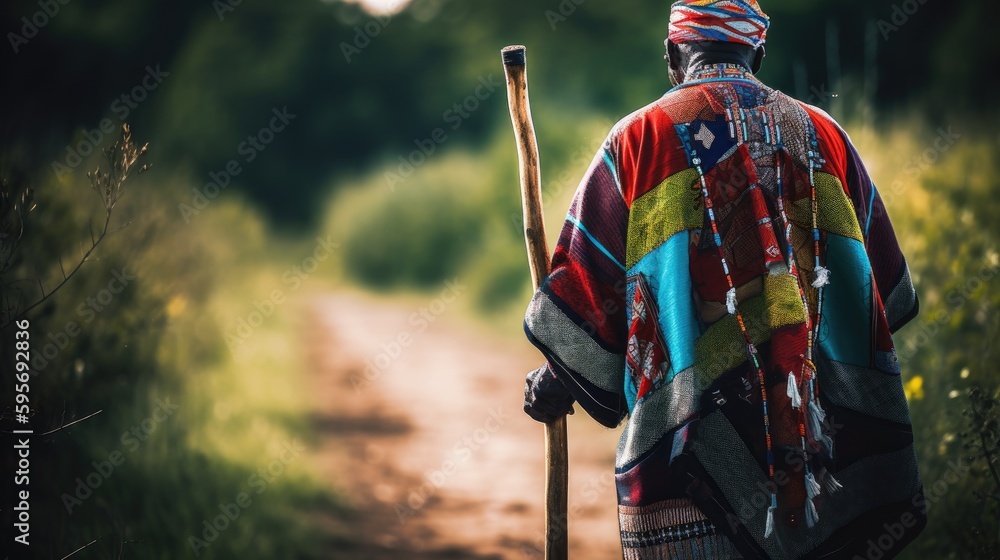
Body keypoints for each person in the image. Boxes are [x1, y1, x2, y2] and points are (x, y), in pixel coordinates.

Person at [521, 1, 925, 558]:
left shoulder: (638, 140)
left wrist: (558, 376)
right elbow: (882, 292)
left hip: (687, 482)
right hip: (827, 473)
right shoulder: (825, 135)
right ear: (757, 51)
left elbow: (592, 291)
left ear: (671, 53)